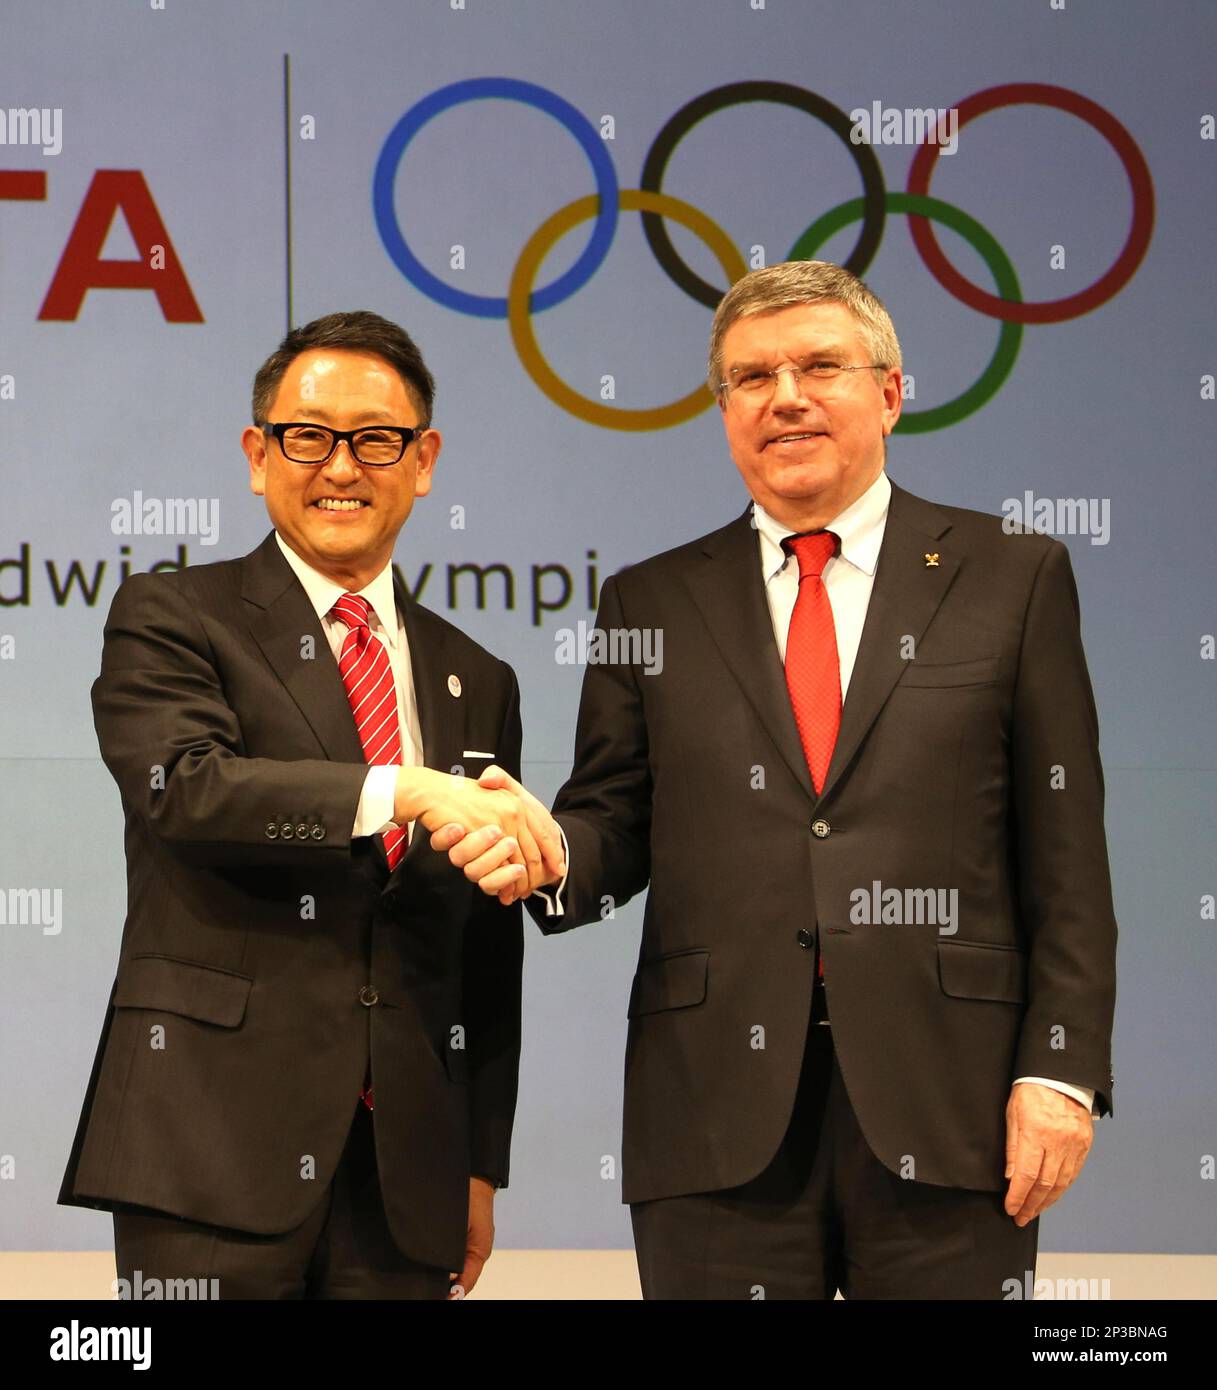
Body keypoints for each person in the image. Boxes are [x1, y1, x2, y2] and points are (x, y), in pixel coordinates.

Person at [440, 261, 1117, 1299]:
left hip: (953, 1108)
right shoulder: (649, 599)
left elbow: (1064, 855)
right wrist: (548, 848)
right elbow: (613, 825)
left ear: (888, 393)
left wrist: (1058, 1070)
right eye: (750, 378)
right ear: (722, 411)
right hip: (709, 1115)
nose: (784, 396)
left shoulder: (1011, 573)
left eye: (817, 366)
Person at [59, 311, 563, 1299]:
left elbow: (481, 945)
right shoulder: (174, 615)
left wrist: (476, 1159)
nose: (341, 465)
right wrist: (405, 788)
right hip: (209, 1147)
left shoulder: (477, 675)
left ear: (423, 462)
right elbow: (186, 790)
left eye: (376, 439)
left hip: (404, 1174)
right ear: (258, 454)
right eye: (308, 435)